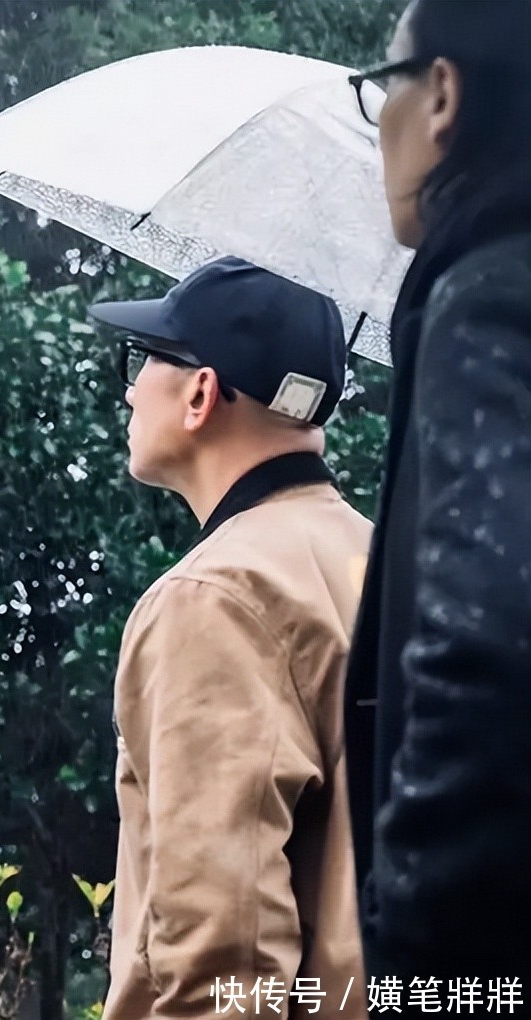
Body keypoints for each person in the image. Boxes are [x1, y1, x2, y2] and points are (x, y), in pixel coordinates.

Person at [88, 258, 371, 1018]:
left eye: (144, 360)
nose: (130, 389)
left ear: (201, 393)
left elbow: (225, 956)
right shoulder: (398, 564)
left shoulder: (216, 596)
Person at [343, 0, 531, 986]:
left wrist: (410, 945)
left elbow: (490, 640)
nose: (381, 117)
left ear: (444, 93)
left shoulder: (489, 291)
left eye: (383, 85)